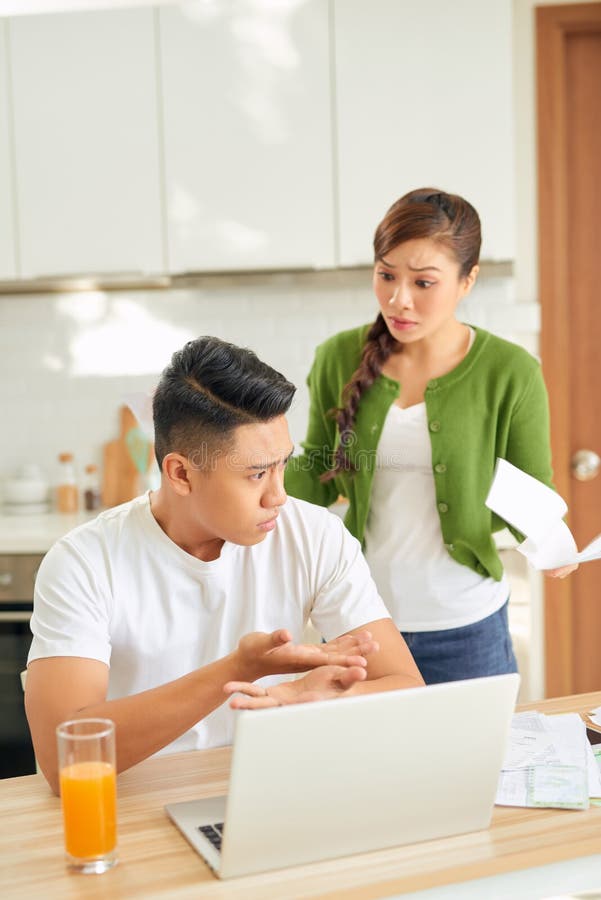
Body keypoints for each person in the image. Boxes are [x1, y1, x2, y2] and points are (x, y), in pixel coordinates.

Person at [25, 336, 423, 794]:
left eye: (282, 466)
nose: (278, 496)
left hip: (265, 793)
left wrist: (307, 702)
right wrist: (237, 670)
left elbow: (405, 686)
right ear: (180, 473)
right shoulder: (85, 562)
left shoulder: (315, 535)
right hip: (129, 805)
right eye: (256, 474)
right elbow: (63, 758)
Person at [285, 187, 576, 686]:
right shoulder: (338, 356)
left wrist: (548, 537)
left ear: (468, 281)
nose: (400, 299)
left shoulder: (511, 372)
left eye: (424, 282)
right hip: (361, 622)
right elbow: (314, 468)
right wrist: (245, 488)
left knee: (477, 764)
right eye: (386, 275)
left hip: (467, 626)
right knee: (365, 764)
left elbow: (530, 486)